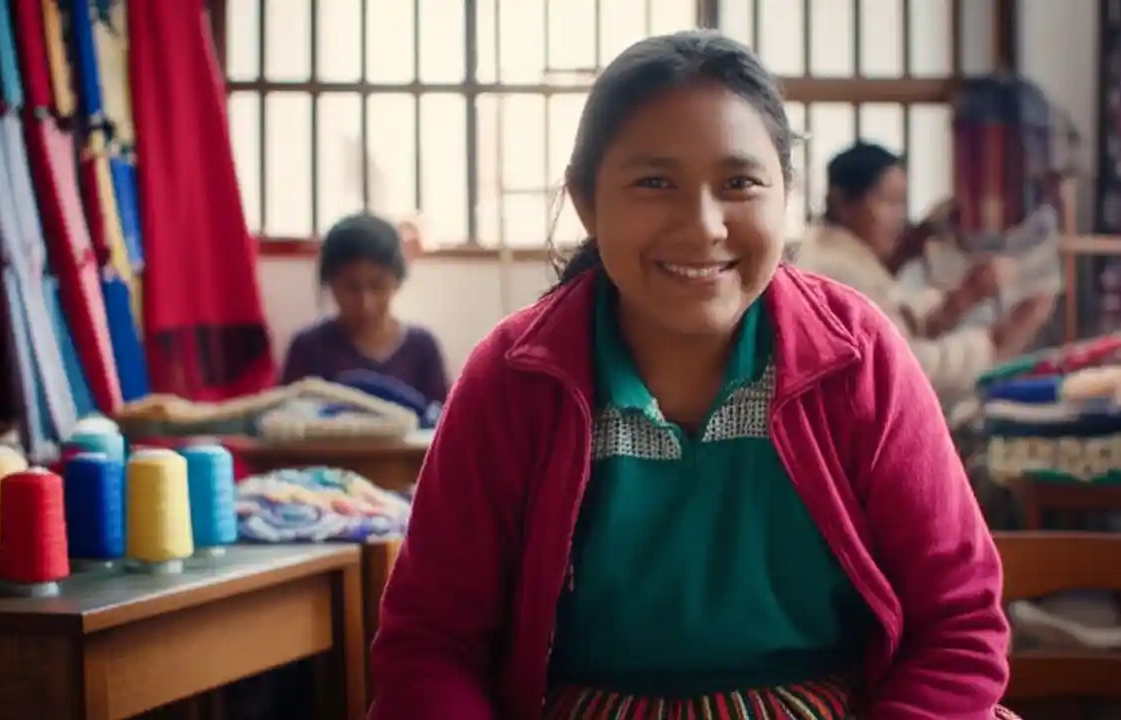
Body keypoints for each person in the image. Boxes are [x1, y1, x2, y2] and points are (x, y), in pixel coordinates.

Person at [370, 31, 1013, 720]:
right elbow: (430, 647)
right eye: (654, 183)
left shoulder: (857, 358)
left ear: (785, 196)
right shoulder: (513, 377)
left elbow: (958, 625)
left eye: (739, 184)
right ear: (587, 201)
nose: (703, 226)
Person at [796, 143, 1055, 409]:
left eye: (902, 203)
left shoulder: (847, 258)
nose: (899, 217)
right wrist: (993, 344)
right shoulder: (833, 269)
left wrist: (965, 297)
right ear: (843, 203)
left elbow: (897, 321)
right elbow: (895, 366)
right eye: (888, 201)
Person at [279, 212, 449, 406]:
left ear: (397, 282)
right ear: (331, 284)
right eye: (351, 288)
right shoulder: (308, 347)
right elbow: (284, 423)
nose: (365, 303)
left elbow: (444, 424)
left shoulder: (422, 348)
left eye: (377, 286)